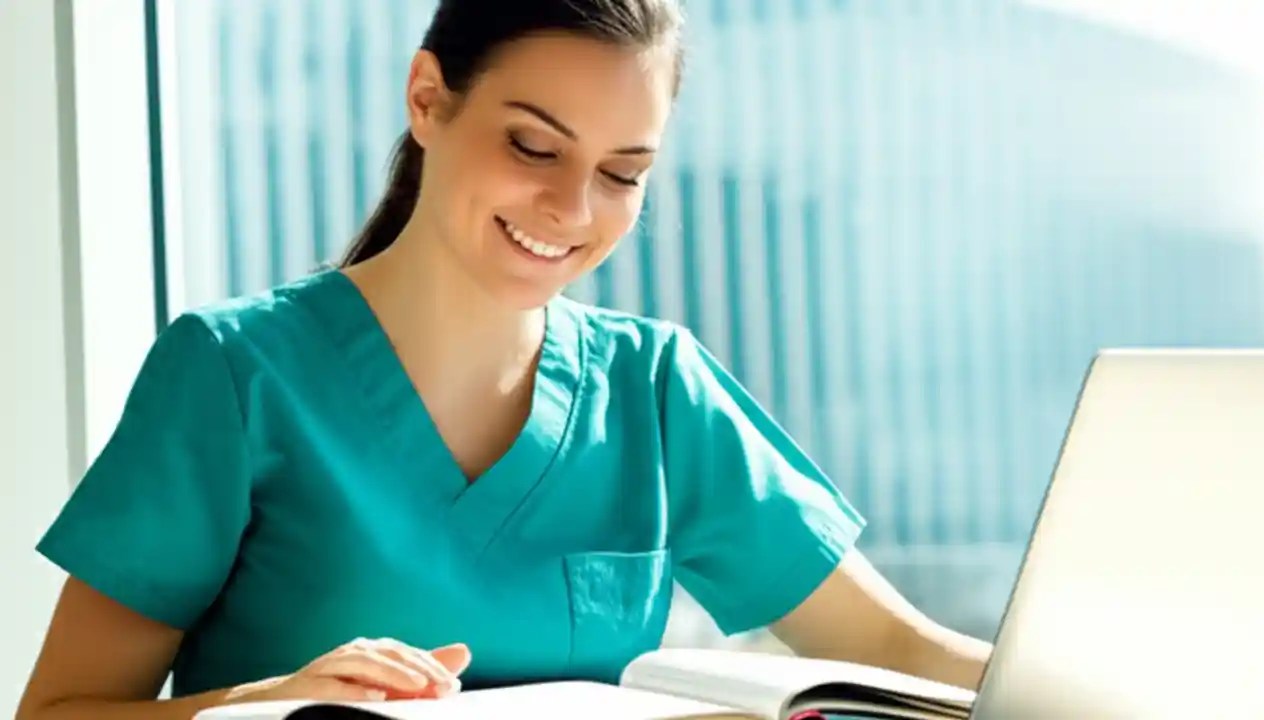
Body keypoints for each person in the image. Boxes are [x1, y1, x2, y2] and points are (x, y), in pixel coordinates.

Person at [17, 1, 992, 718]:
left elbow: (887, 646)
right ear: (427, 99)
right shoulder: (234, 376)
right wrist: (266, 705)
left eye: (621, 175)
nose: (572, 211)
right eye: (532, 147)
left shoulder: (655, 392)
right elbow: (57, 714)